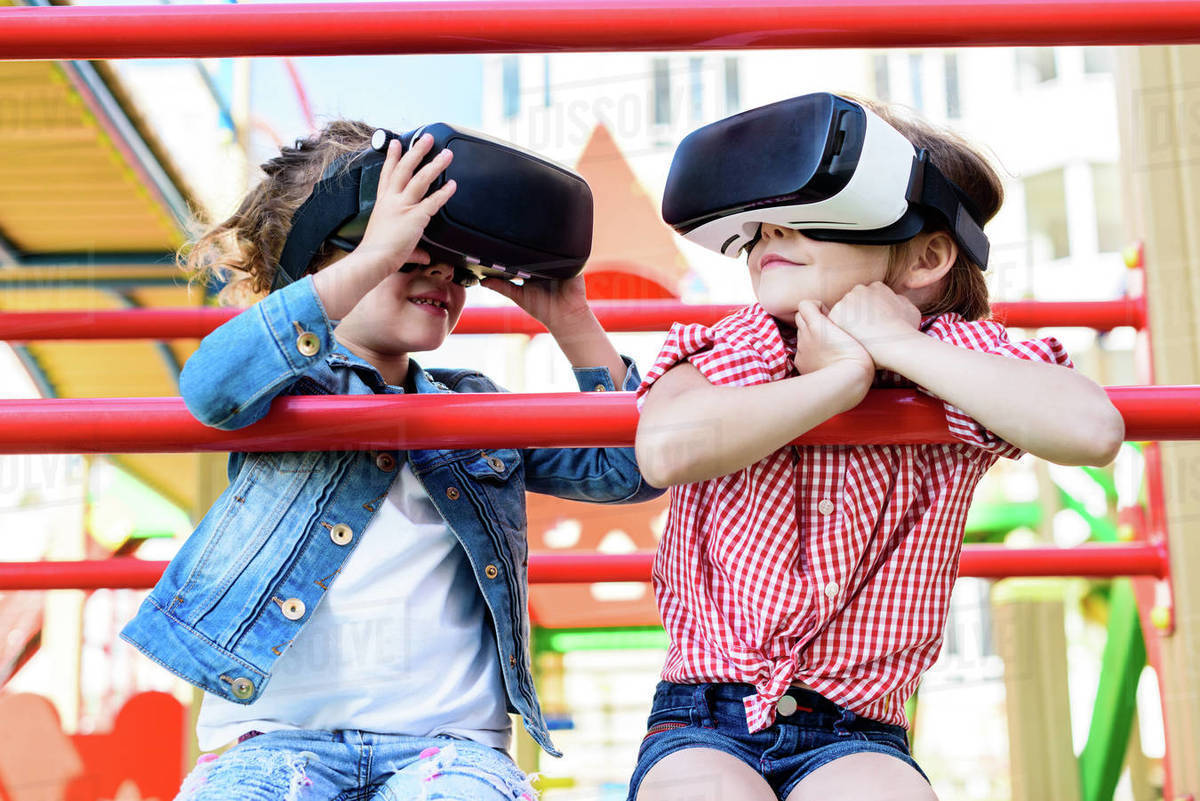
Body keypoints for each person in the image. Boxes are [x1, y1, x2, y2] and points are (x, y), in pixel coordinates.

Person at [120, 119, 662, 800]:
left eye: (455, 263)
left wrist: (570, 318)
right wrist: (375, 256)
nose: (441, 272)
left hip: (449, 748)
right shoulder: (284, 393)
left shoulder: (476, 411)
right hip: (276, 738)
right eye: (411, 251)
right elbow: (211, 386)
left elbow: (630, 468)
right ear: (331, 260)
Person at [628, 95, 1125, 801]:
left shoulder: (954, 359)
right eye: (760, 229)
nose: (771, 238)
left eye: (805, 221)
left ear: (925, 255)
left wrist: (893, 346)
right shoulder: (746, 341)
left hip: (858, 727)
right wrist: (837, 382)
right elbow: (666, 449)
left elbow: (1092, 429)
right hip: (706, 710)